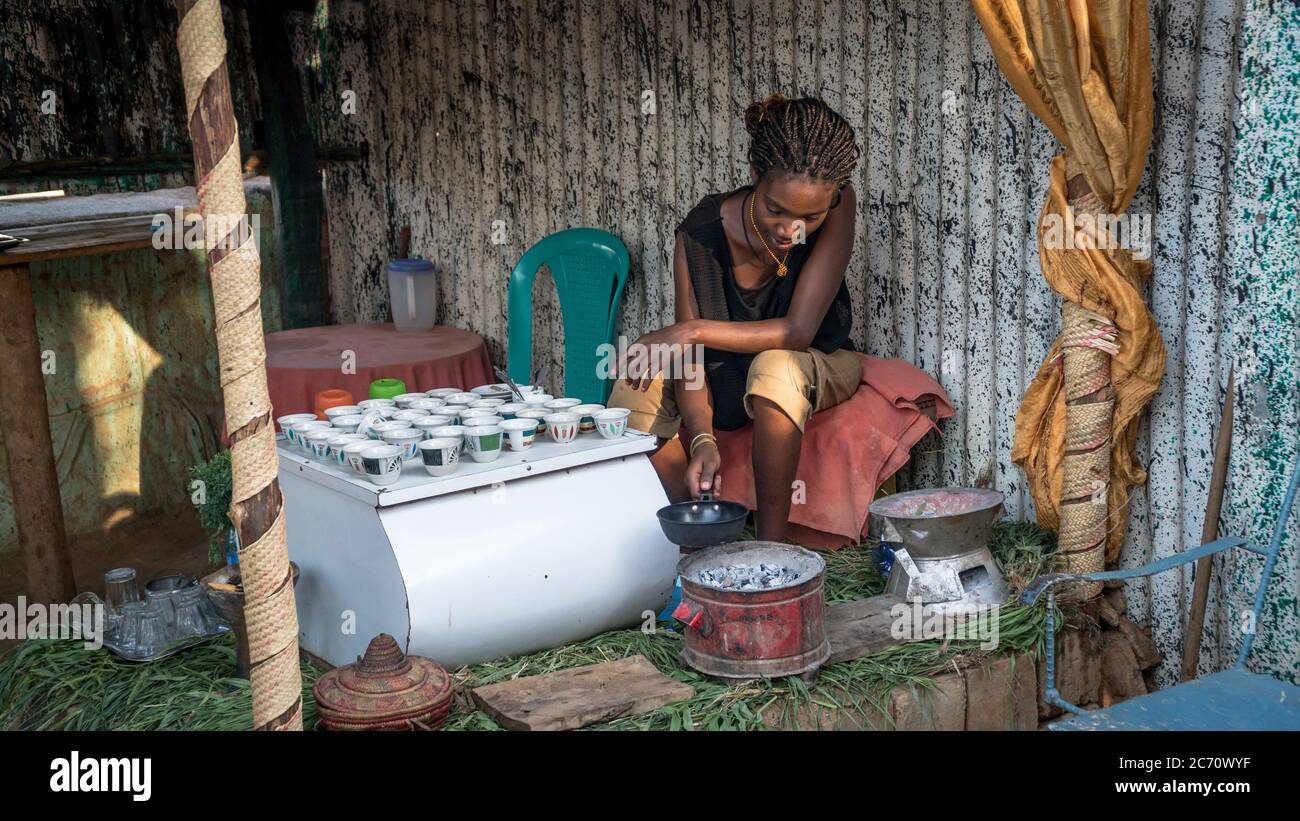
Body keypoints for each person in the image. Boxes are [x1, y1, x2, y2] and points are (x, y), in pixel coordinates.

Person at [609, 93, 863, 541]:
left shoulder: (839, 204)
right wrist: (703, 438)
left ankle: (772, 551)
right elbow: (689, 362)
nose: (791, 230)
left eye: (810, 216)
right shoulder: (699, 234)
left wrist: (690, 330)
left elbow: (797, 333)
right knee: (634, 390)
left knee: (775, 367)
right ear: (753, 177)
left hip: (818, 360)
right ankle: (701, 534)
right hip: (723, 372)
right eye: (776, 210)